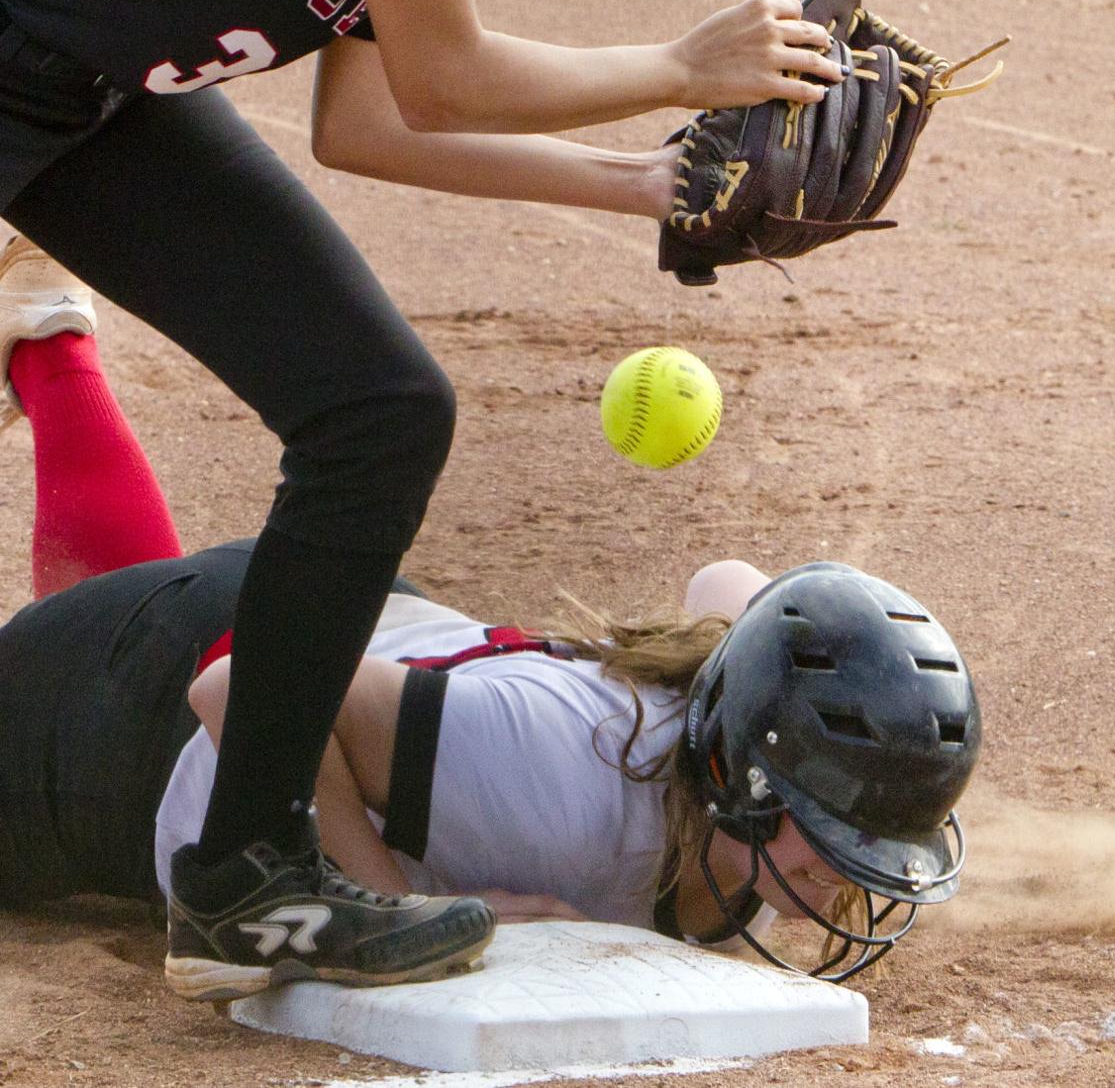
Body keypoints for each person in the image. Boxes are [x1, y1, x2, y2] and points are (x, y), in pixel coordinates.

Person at [0, 0, 849, 999]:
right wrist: (682, 65)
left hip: (91, 97)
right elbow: (449, 77)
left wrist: (648, 184)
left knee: (378, 410)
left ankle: (250, 873)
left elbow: (375, 121)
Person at [0, 242, 982, 991]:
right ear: (739, 776)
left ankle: (51, 348)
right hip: (156, 728)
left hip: (330, 624)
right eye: (833, 833)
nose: (854, 879)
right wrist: (392, 909)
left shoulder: (728, 760)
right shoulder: (560, 777)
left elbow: (728, 582)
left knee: (120, 598)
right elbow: (235, 687)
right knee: (103, 646)